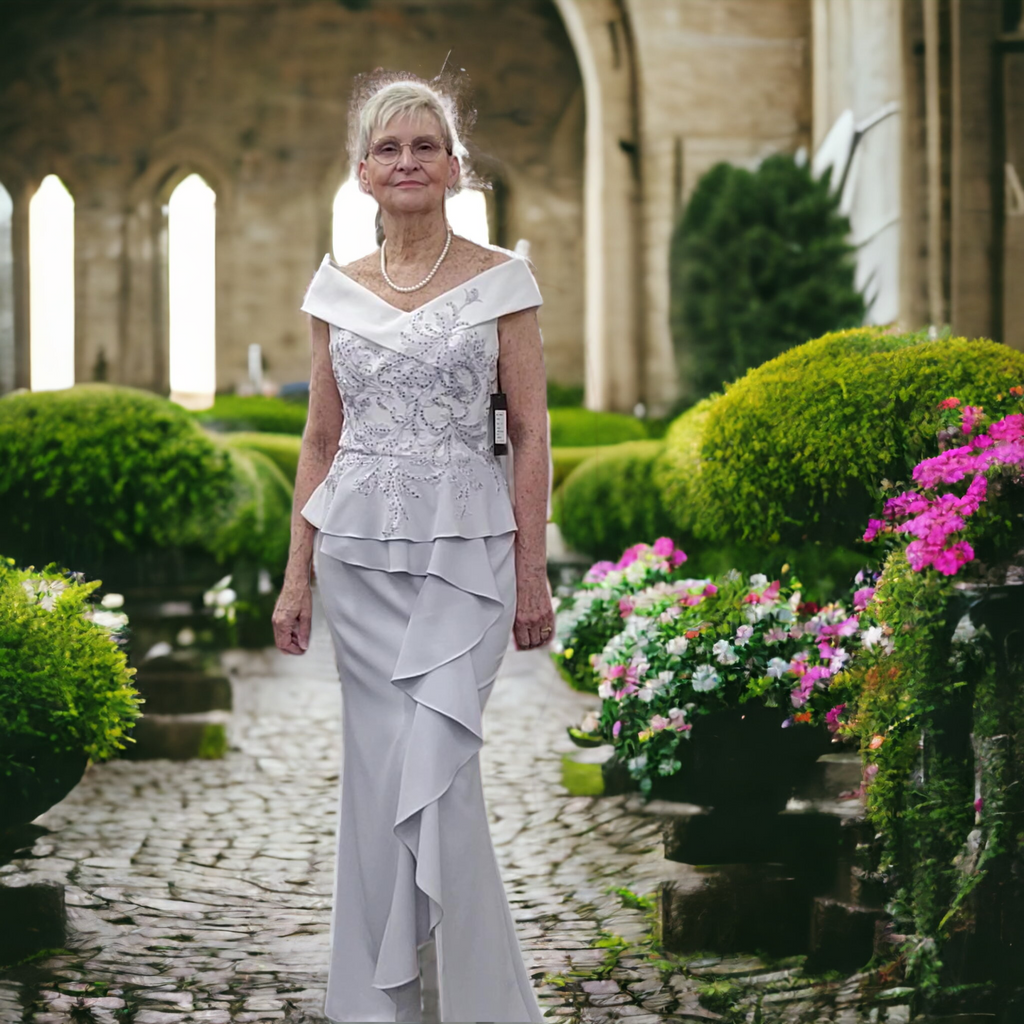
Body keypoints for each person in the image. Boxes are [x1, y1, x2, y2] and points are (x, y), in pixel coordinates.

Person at [271, 70, 553, 1024]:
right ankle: (379, 1003)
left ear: (454, 168)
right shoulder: (335, 292)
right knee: (379, 777)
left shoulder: (503, 282)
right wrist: (297, 579)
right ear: (362, 173)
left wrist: (531, 575)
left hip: (468, 558)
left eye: (424, 146)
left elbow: (532, 435)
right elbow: (320, 439)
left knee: (443, 769)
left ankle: (478, 1004)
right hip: (356, 558)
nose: (407, 162)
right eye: (387, 149)